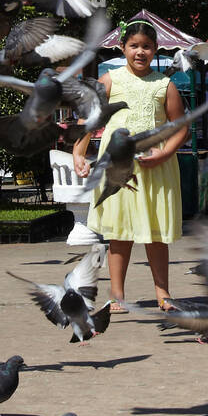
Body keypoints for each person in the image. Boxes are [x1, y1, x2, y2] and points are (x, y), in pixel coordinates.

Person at [72, 17, 189, 311]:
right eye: (134, 46)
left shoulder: (165, 85)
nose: (140, 52)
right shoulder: (110, 80)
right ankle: (116, 295)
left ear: (156, 50)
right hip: (118, 167)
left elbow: (181, 127)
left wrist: (164, 154)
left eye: (147, 47)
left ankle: (163, 294)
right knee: (119, 234)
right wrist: (78, 153)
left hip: (156, 167)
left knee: (155, 234)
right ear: (122, 48)